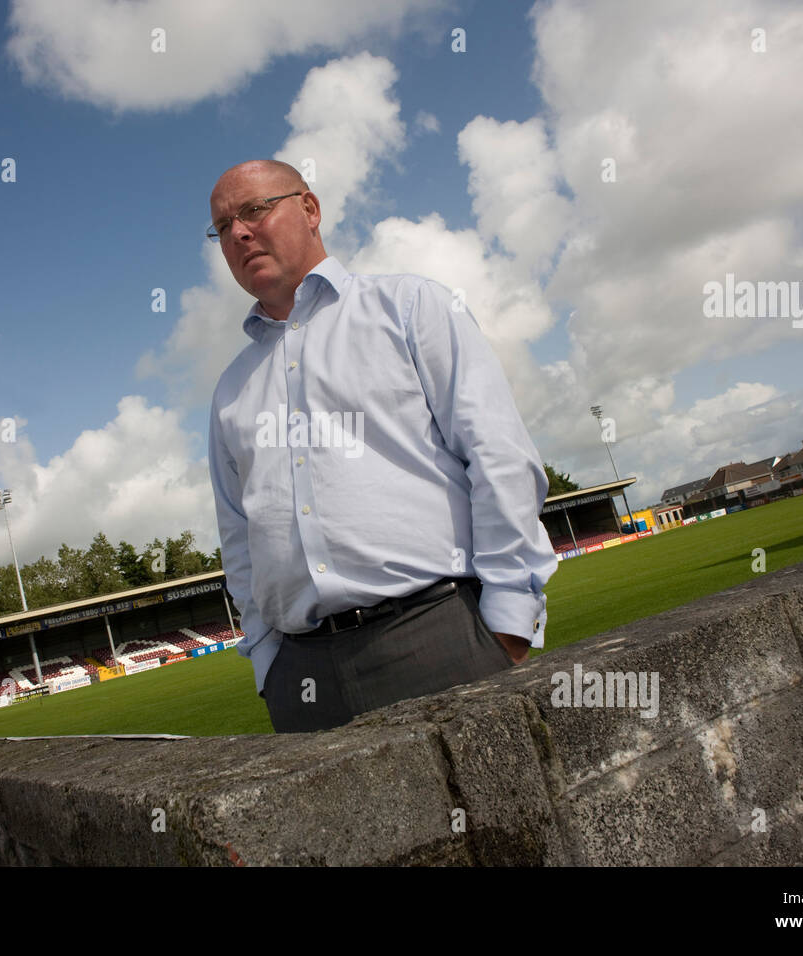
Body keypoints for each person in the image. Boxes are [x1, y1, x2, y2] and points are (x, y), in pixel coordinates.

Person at [206, 159, 557, 732]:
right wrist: (268, 660)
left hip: (436, 634)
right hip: (301, 677)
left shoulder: (410, 306)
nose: (239, 232)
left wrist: (509, 622)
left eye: (254, 210)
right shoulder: (229, 389)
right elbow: (237, 534)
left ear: (310, 209)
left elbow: (498, 455)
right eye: (222, 227)